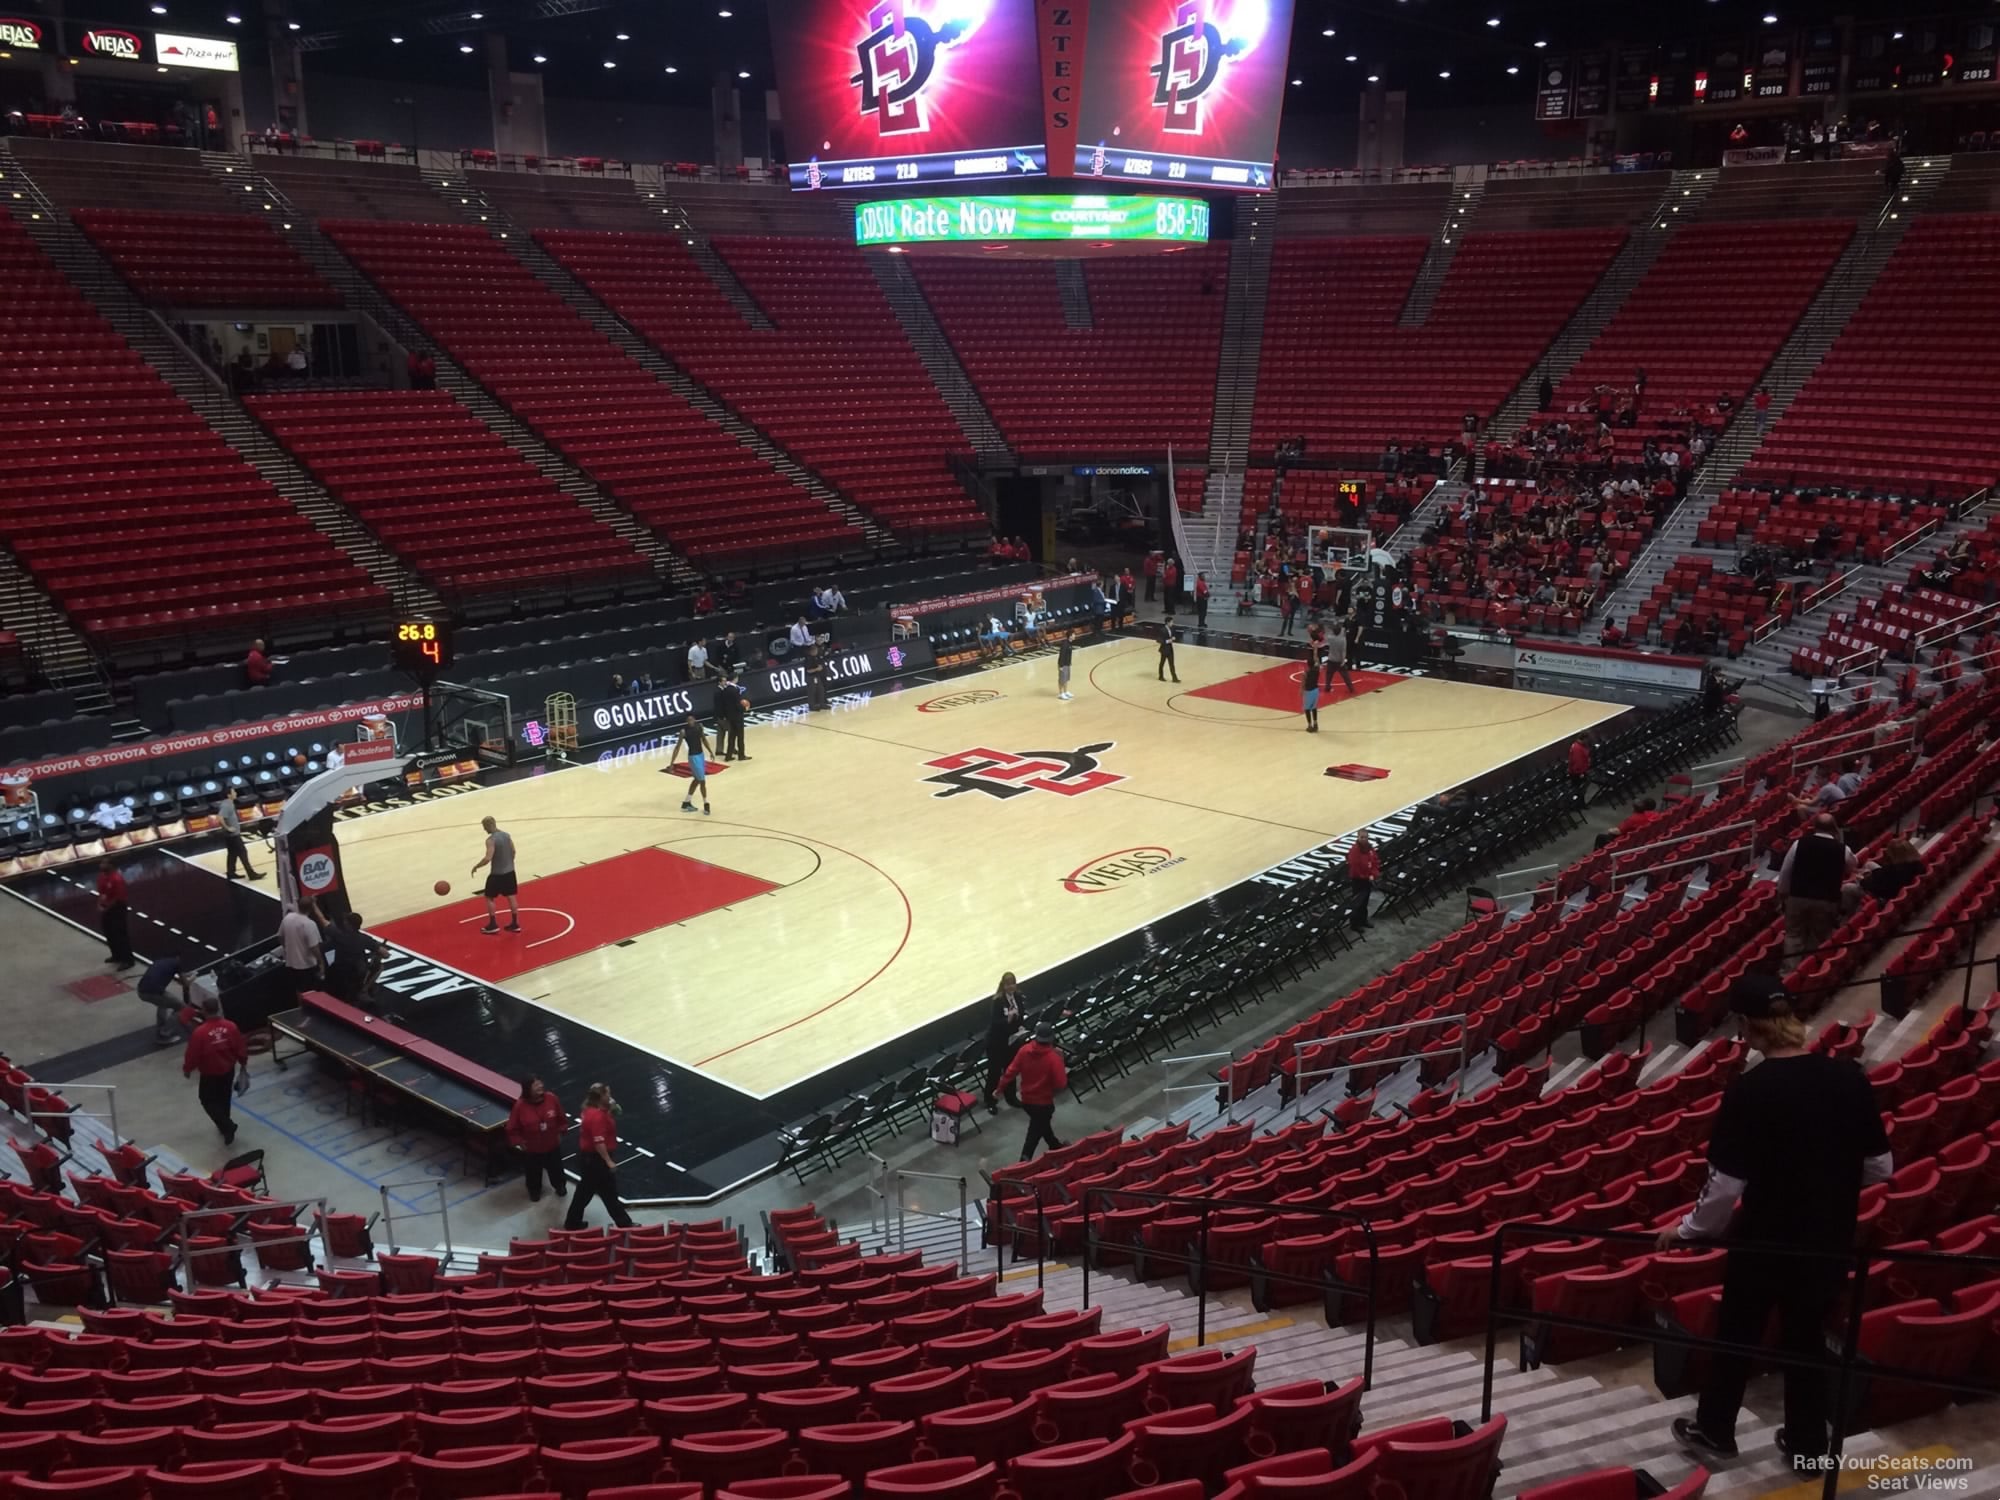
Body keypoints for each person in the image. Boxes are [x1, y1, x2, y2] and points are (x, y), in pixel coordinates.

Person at [1663, 975, 1892, 1467]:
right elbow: (1880, 1167)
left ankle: (1716, 1430)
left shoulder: (1750, 1090)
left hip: (1766, 1240)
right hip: (1827, 1237)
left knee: (1737, 1334)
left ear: (1747, 1026)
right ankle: (1809, 1445)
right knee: (1806, 1341)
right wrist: (1827, 1184)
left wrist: (1686, 1231)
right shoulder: (1850, 1078)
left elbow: (1724, 1187)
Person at [1777, 813, 1856, 964]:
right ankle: (1810, 967)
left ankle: (1789, 971)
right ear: (1834, 828)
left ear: (1814, 827)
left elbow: (1785, 872)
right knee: (1818, 937)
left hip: (1798, 897)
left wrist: (1783, 894)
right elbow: (1852, 865)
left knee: (1793, 936)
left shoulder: (1799, 844)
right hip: (1826, 901)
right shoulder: (1842, 849)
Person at [564, 1082, 634, 1229]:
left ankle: (572, 1222)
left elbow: (616, 1112)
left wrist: (611, 1107)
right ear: (601, 1097)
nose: (610, 1096)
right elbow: (599, 1142)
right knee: (608, 1193)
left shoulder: (592, 1110)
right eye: (607, 1094)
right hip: (596, 1161)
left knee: (585, 1192)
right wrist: (609, 1161)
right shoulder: (597, 1117)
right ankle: (625, 1224)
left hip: (589, 1160)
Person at [182, 996, 248, 1146]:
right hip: (228, 1070)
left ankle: (227, 1125)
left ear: (204, 1011)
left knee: (207, 1100)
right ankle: (225, 1126)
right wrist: (243, 1063)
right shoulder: (230, 1027)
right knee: (224, 1098)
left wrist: (188, 1068)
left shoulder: (200, 1033)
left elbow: (192, 1054)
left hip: (210, 1073)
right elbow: (240, 1047)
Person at [997, 1025, 1068, 1162]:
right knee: (1034, 1133)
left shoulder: (1024, 1050)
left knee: (1042, 1124)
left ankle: (1055, 1145)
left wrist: (999, 1089)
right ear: (1051, 1039)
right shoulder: (1054, 1058)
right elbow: (1061, 1084)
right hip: (1044, 1102)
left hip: (1027, 1100)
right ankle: (1024, 1161)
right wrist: (1061, 1060)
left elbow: (1010, 1072)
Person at [508, 1075, 569, 1203]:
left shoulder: (552, 1098)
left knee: (556, 1168)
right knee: (533, 1172)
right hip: (532, 1148)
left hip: (552, 1144)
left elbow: (561, 1118)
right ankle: (534, 1191)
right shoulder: (520, 1106)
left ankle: (560, 1186)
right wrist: (520, 1143)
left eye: (540, 1083)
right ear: (528, 1089)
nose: (540, 1086)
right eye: (536, 1085)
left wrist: (561, 1132)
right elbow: (512, 1128)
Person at [468, 815, 522, 932]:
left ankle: (493, 924)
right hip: (510, 872)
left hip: (497, 874)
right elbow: (513, 851)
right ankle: (515, 924)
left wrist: (477, 866)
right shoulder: (507, 835)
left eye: (484, 826)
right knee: (511, 897)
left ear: (489, 825)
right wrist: (509, 862)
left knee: (489, 897)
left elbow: (488, 858)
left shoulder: (491, 840)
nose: (484, 829)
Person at [984, 972, 1026, 1114]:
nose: (1011, 987)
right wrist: (1007, 1019)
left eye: (1013, 983)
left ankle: (1011, 1097)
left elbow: (1021, 1014)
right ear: (1003, 985)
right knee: (994, 1073)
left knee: (1010, 1070)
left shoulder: (1018, 997)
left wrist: (1020, 1026)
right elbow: (994, 1022)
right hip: (995, 1043)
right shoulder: (998, 1001)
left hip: (1011, 1041)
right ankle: (990, 1100)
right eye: (1008, 984)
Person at [1842, 837, 1923, 912]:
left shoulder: (1894, 870)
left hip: (1884, 897)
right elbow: (1883, 875)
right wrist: (1873, 874)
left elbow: (1878, 888)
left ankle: (1851, 914)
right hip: (1890, 885)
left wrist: (1862, 880)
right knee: (1869, 864)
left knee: (1847, 887)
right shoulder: (1917, 864)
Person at [326, 911, 381, 1004]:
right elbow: (385, 954)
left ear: (348, 924)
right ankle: (363, 990)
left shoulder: (339, 935)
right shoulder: (364, 939)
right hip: (356, 971)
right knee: (378, 965)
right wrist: (374, 953)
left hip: (339, 969)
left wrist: (314, 907)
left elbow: (324, 922)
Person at [138, 953, 194, 1045]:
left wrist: (186, 975)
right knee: (181, 1007)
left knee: (162, 1005)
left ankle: (162, 1030)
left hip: (142, 990)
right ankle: (164, 1034)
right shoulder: (177, 964)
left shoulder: (163, 961)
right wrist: (193, 978)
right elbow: (185, 984)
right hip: (153, 992)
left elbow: (174, 975)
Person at [666, 712, 712, 815]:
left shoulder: (700, 726)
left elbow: (704, 740)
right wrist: (672, 763)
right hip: (693, 757)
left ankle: (686, 803)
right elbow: (677, 747)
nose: (690, 722)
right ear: (686, 721)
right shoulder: (683, 731)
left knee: (697, 780)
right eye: (688, 720)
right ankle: (706, 803)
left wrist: (710, 751)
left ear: (694, 719)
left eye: (691, 719)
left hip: (701, 755)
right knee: (702, 781)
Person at [278, 900, 324, 998]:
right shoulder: (309, 924)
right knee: (312, 992)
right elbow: (314, 947)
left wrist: (287, 948)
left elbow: (280, 937)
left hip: (291, 963)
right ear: (311, 909)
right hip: (307, 965)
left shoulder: (288, 918)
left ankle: (302, 1005)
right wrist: (321, 962)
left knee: (298, 989)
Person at [96, 859, 136, 970]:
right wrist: (99, 904)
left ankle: (128, 960)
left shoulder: (117, 879)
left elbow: (118, 898)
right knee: (109, 932)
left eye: (104, 863)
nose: (101, 865)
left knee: (120, 934)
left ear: (111, 865)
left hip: (118, 909)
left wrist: (106, 908)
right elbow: (101, 893)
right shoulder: (101, 877)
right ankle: (116, 955)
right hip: (107, 908)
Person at [215, 795, 262, 880]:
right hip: (233, 835)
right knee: (243, 852)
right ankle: (251, 874)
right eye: (233, 792)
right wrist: (227, 828)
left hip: (230, 835)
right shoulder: (226, 805)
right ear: (229, 794)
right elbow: (220, 817)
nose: (236, 793)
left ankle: (231, 873)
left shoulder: (228, 803)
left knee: (232, 854)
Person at [1346, 832, 1379, 931]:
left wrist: (1373, 874)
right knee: (1357, 903)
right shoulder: (1354, 850)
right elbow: (1355, 867)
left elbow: (1374, 861)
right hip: (1358, 880)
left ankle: (1363, 920)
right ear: (1358, 837)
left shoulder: (1370, 848)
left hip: (1367, 879)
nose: (1364, 839)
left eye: (1365, 837)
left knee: (1365, 902)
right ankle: (1354, 924)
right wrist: (1367, 876)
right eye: (1362, 837)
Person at [716, 672, 748, 761]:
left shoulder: (725, 690)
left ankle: (728, 756)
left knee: (731, 737)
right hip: (737, 716)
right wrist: (744, 708)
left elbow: (724, 704)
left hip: (730, 717)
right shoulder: (735, 690)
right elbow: (738, 704)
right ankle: (741, 755)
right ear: (735, 678)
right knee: (740, 737)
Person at [1324, 618, 1355, 697]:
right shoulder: (1342, 640)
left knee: (1329, 675)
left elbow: (1329, 634)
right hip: (1339, 660)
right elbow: (1343, 651)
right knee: (1345, 676)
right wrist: (1343, 660)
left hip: (1331, 659)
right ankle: (1351, 688)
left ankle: (1327, 687)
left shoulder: (1330, 638)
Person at [1301, 631, 1323, 734]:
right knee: (1314, 708)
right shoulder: (1317, 669)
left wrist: (1301, 691)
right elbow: (1316, 658)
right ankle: (1315, 723)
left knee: (1307, 709)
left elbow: (1303, 684)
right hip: (1316, 690)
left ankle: (1309, 725)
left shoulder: (1305, 673)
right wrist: (1315, 649)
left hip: (1308, 691)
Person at [807, 645, 830, 710]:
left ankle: (822, 704)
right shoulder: (808, 659)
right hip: (811, 677)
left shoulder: (816, 657)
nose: (816, 652)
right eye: (815, 651)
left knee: (821, 690)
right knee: (812, 691)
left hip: (817, 676)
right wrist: (817, 669)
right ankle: (812, 706)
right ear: (812, 651)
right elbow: (808, 671)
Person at [1157, 619, 1180, 683]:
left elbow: (1173, 636)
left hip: (1170, 649)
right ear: (1167, 622)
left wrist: (1173, 638)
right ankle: (1161, 676)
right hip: (1164, 649)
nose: (1172, 623)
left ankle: (1174, 678)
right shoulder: (1162, 630)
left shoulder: (1171, 629)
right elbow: (1158, 640)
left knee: (1172, 664)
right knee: (1162, 663)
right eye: (1171, 622)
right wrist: (1168, 641)